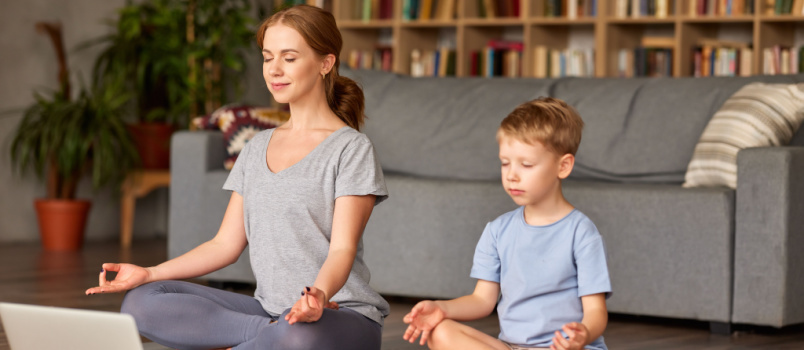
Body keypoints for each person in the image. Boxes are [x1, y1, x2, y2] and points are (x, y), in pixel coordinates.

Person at [85, 5, 389, 350]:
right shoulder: (256, 147)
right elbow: (225, 245)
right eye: (267, 57)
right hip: (270, 312)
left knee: (298, 335)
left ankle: (266, 338)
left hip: (341, 316)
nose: (274, 70)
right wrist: (150, 272)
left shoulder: (351, 148)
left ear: (325, 63)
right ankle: (266, 337)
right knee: (141, 302)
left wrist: (318, 295)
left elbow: (343, 249)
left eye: (289, 58)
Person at [402, 97, 612, 350]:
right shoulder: (497, 230)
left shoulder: (581, 232)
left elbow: (596, 311)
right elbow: (482, 300)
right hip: (514, 347)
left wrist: (584, 334)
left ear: (563, 166)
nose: (512, 175)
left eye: (526, 164)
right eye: (505, 163)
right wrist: (441, 308)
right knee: (440, 332)